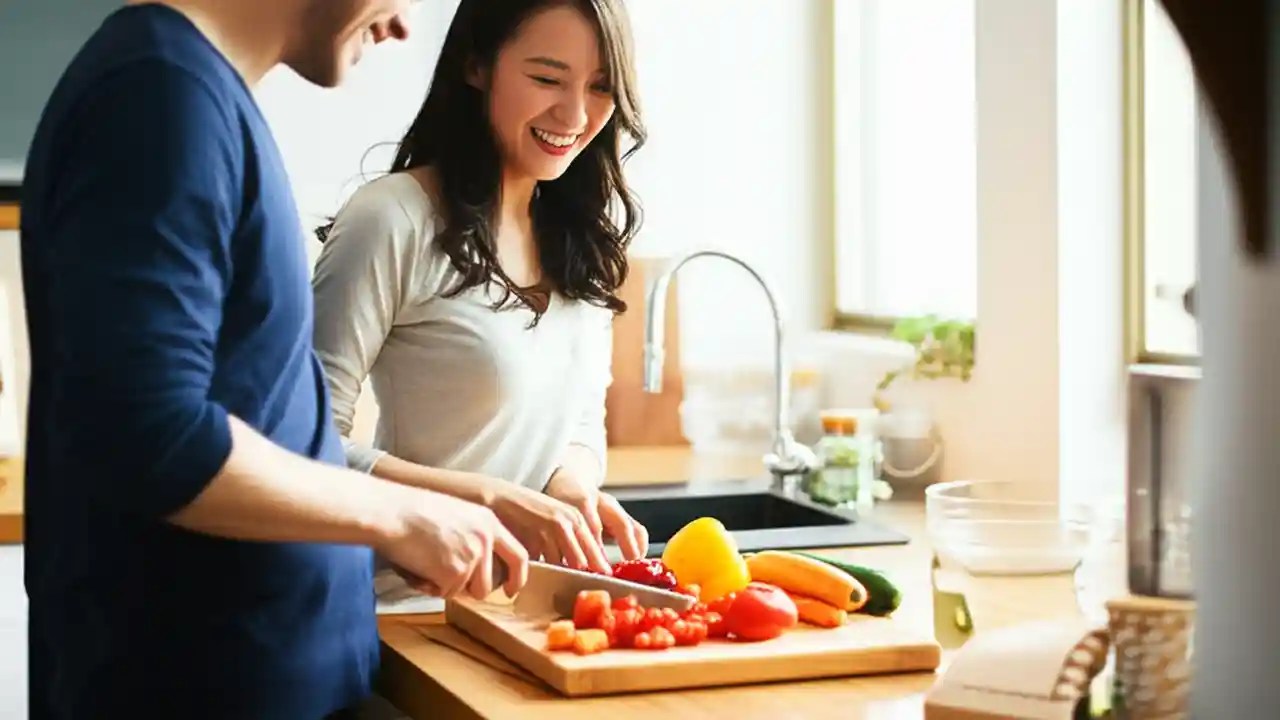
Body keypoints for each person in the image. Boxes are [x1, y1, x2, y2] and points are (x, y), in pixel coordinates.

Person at [18, 1, 529, 718]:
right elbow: (151, 436)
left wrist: (395, 526)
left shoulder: (192, 91)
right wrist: (401, 516)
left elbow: (239, 421)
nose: (402, 24)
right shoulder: (159, 97)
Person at [311, 0, 649, 583]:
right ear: (475, 65)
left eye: (600, 86)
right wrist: (487, 500)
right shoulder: (392, 219)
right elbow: (304, 446)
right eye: (547, 78)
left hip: (529, 616)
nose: (574, 113)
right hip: (408, 612)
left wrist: (568, 485)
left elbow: (579, 427)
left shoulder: (579, 236)